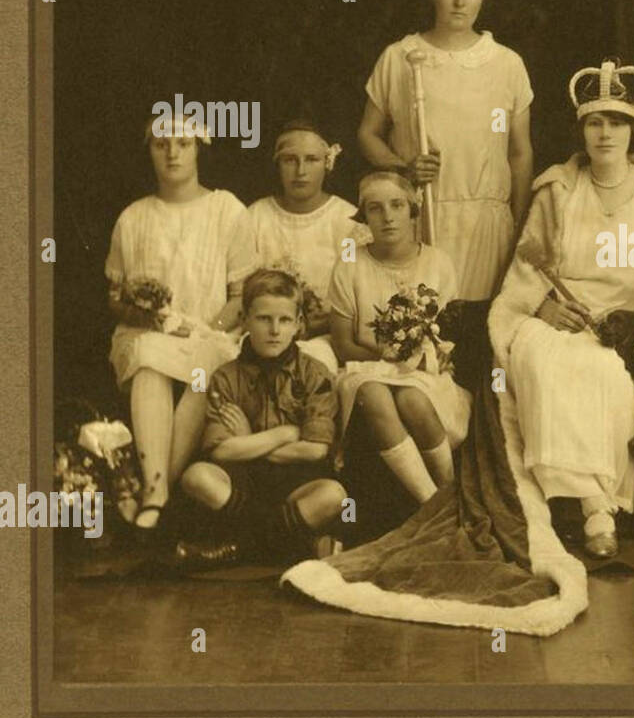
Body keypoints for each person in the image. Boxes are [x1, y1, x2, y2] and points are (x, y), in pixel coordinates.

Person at [488, 59, 634, 558]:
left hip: (631, 317)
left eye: (617, 122)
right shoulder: (558, 189)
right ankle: (596, 507)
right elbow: (528, 264)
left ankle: (594, 506)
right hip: (562, 312)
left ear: (632, 130)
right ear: (581, 129)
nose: (605, 133)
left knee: (600, 372)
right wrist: (540, 308)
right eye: (595, 122)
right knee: (544, 359)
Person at [104, 120, 255, 541]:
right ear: (149, 150)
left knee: (205, 368)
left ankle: (157, 491)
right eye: (161, 144)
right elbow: (114, 298)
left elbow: (242, 295)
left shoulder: (227, 209)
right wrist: (148, 318)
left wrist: (205, 328)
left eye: (183, 144)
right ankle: (155, 492)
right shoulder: (133, 217)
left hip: (213, 333)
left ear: (198, 149)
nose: (172, 153)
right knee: (149, 358)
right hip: (151, 334)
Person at [357, 0, 534, 300]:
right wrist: (402, 168)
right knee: (422, 320)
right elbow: (367, 134)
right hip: (424, 212)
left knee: (478, 325)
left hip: (486, 220)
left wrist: (520, 222)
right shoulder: (400, 57)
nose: (459, 1)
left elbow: (519, 152)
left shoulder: (506, 63)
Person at [175, 269, 346, 568]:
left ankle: (239, 545)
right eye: (264, 319)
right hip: (243, 485)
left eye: (284, 320)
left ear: (299, 325)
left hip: (296, 484)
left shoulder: (315, 373)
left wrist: (247, 440)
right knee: (197, 476)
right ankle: (287, 541)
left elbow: (316, 449)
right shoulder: (225, 377)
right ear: (244, 321)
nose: (275, 330)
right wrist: (285, 434)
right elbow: (221, 450)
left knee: (334, 495)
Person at [327, 170, 471, 502]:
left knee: (411, 398)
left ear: (412, 210)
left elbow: (447, 337)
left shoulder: (438, 261)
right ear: (364, 217)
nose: (388, 217)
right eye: (375, 208)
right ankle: (431, 503)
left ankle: (450, 487)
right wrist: (384, 356)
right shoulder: (349, 264)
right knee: (372, 391)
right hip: (365, 369)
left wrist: (427, 359)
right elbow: (342, 343)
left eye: (397, 205)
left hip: (422, 372)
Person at [248, 120, 369, 374]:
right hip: (264, 333)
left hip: (322, 336)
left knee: (312, 365)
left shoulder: (346, 222)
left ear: (327, 164)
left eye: (311, 160)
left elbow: (356, 290)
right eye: (290, 160)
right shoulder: (256, 217)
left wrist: (322, 322)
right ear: (278, 165)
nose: (300, 170)